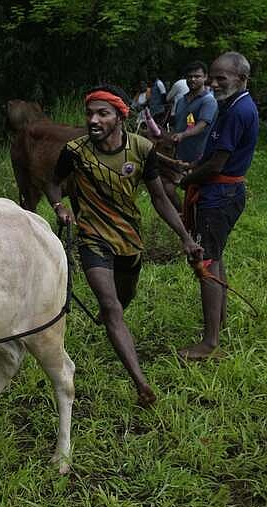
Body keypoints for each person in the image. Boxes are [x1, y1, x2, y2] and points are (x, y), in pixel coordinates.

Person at [46, 85, 201, 405]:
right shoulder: (74, 151)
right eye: (90, 113)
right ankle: (141, 383)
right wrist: (60, 207)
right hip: (93, 238)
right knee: (112, 306)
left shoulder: (142, 149)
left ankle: (113, 314)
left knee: (125, 295)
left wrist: (185, 238)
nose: (94, 119)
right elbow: (52, 183)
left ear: (120, 116)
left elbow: (159, 198)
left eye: (103, 113)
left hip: (130, 238)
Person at [177, 52, 259, 361]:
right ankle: (218, 321)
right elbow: (212, 156)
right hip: (221, 192)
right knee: (217, 257)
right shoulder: (230, 105)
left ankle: (209, 342)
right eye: (212, 77)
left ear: (242, 79)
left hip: (219, 195)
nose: (214, 83)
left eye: (220, 78)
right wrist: (194, 167)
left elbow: (217, 164)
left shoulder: (239, 110)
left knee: (206, 264)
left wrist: (187, 180)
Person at [162, 61, 218, 210]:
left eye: (197, 76)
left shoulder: (209, 101)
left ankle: (192, 222)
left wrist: (183, 135)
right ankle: (182, 216)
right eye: (190, 76)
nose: (192, 79)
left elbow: (202, 125)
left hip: (198, 155)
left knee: (194, 192)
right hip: (179, 154)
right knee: (167, 188)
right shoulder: (181, 100)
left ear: (205, 77)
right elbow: (182, 123)